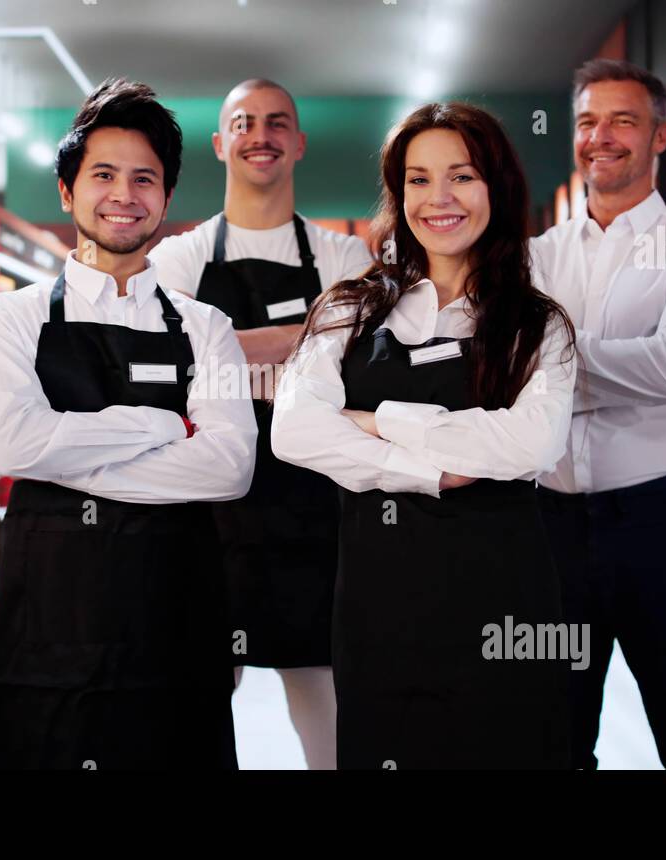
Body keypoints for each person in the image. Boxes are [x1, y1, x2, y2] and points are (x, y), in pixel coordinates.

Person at [271, 101, 577, 769]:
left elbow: (531, 444)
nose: (438, 198)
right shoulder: (350, 307)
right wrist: (432, 471)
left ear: (497, 186)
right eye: (417, 179)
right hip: (383, 603)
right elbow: (294, 430)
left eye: (462, 176)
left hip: (507, 601)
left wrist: (381, 419)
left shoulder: (538, 323)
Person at [0, 79, 257, 770]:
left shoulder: (206, 326)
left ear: (166, 197)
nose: (124, 195)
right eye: (103, 175)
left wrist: (69, 450)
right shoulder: (9, 316)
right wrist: (161, 425)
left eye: (144, 178)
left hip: (175, 615)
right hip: (48, 624)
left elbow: (229, 467)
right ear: (68, 191)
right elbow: (16, 444)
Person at [148, 78, 373, 769]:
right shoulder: (176, 258)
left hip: (318, 514)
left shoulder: (346, 258)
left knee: (329, 711)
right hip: (208, 517)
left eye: (278, 123)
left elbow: (350, 373)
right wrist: (304, 335)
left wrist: (222, 351)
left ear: (299, 143)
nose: (261, 135)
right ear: (221, 144)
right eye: (243, 123)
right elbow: (169, 366)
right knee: (196, 710)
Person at [532, 59, 666, 770]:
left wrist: (555, 365)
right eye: (588, 122)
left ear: (660, 136)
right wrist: (614, 368)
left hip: (663, 528)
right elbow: (501, 374)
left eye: (623, 120)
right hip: (551, 532)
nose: (602, 137)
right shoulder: (534, 257)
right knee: (552, 738)